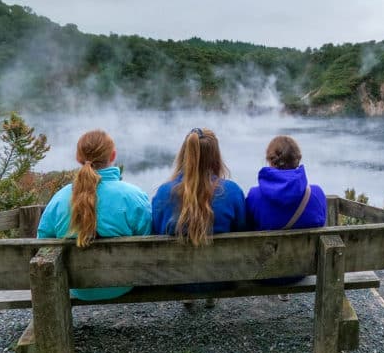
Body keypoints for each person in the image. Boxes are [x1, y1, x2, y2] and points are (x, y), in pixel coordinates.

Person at [37, 130, 152, 301]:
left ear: (78, 159)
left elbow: (43, 243)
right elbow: (148, 242)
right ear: (113, 155)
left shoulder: (60, 199)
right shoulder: (133, 196)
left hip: (76, 285)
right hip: (123, 283)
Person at [151, 127, 246, 307]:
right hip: (221, 278)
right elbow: (242, 230)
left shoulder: (164, 193)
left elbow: (155, 232)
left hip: (174, 279)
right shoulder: (232, 192)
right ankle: (210, 294)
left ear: (184, 154)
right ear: (216, 156)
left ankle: (189, 295)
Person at [245, 135, 327, 300]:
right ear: (297, 160)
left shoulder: (254, 196)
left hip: (263, 272)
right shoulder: (316, 194)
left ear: (270, 161)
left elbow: (245, 230)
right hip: (299, 271)